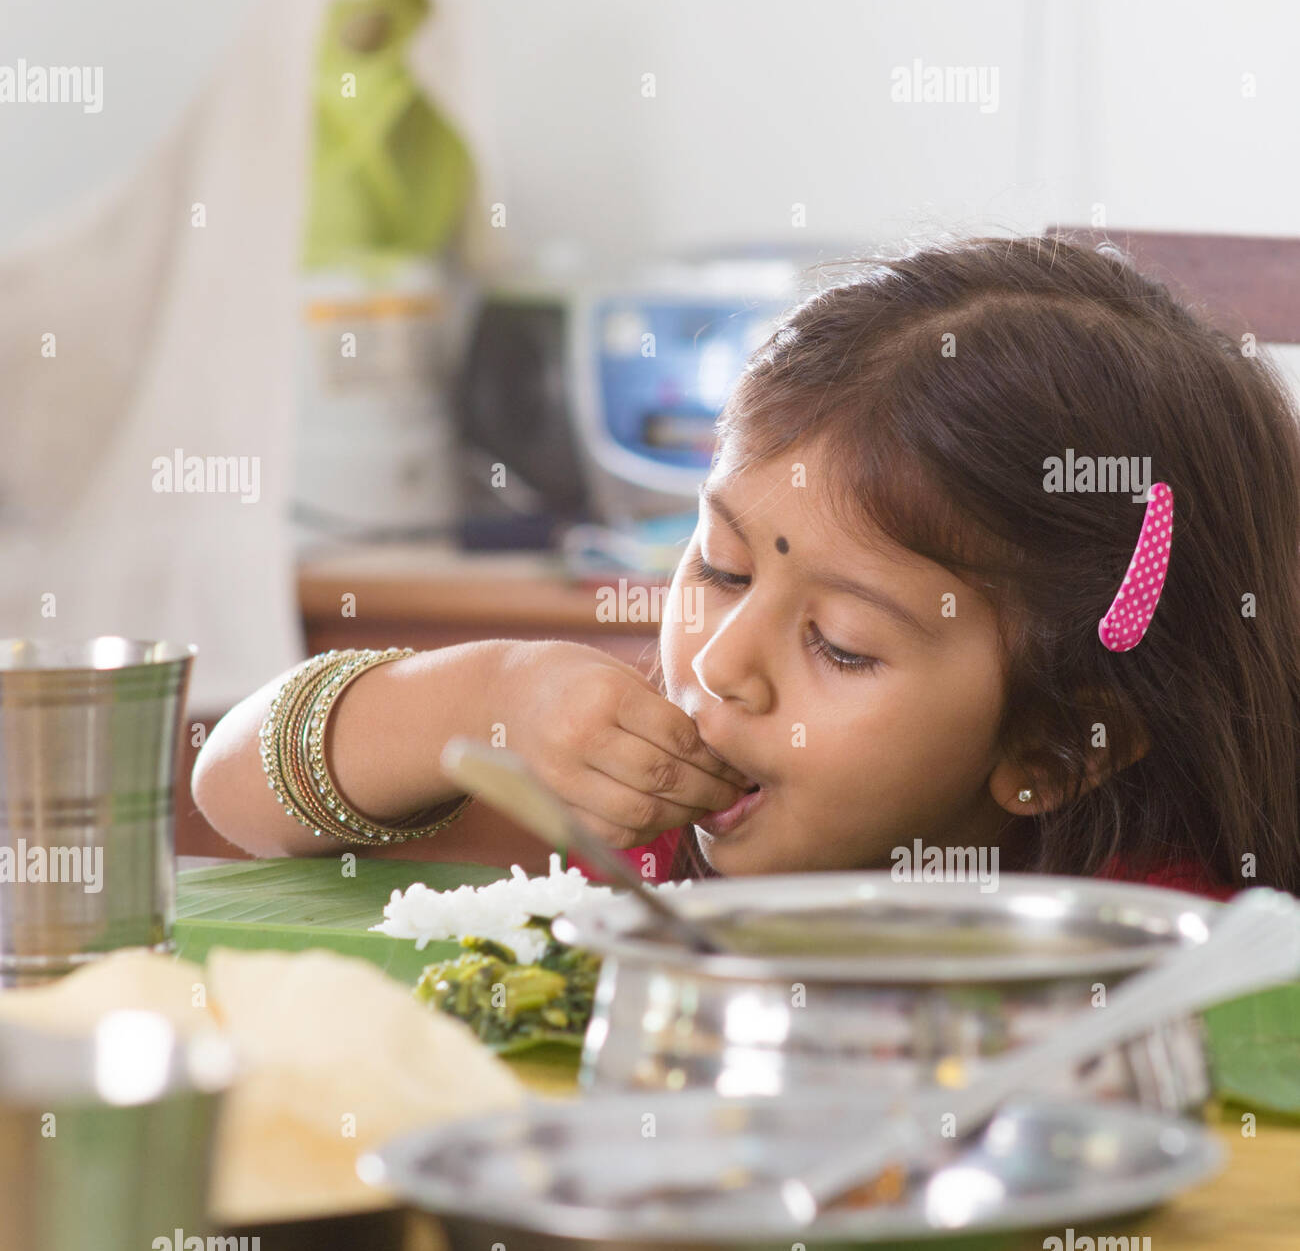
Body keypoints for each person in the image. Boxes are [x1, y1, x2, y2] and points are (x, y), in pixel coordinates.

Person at [193, 235, 1300, 899]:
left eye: (841, 644)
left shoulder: (1159, 962)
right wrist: (489, 696)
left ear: (1051, 748)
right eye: (721, 567)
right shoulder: (671, 819)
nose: (721, 662)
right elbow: (231, 788)